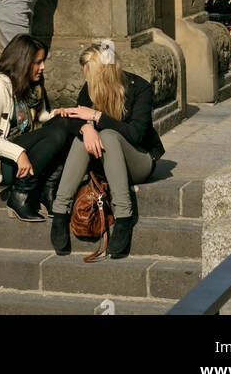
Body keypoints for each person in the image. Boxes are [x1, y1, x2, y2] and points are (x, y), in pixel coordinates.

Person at [48, 40, 164, 260]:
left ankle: (124, 216)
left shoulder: (140, 88)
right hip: (105, 160)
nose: (85, 81)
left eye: (88, 76)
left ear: (101, 73)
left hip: (139, 160)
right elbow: (75, 115)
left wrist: (96, 117)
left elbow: (136, 134)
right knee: (85, 136)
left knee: (108, 136)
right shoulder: (90, 89)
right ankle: (60, 211)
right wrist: (85, 127)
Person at [0, 34, 73, 221]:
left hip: (22, 154)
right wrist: (19, 154)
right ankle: (20, 196)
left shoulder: (29, 84)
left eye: (43, 61)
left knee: (68, 123)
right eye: (38, 62)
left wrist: (56, 114)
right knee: (58, 131)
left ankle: (48, 193)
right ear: (22, 61)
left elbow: (35, 117)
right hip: (0, 163)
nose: (43, 67)